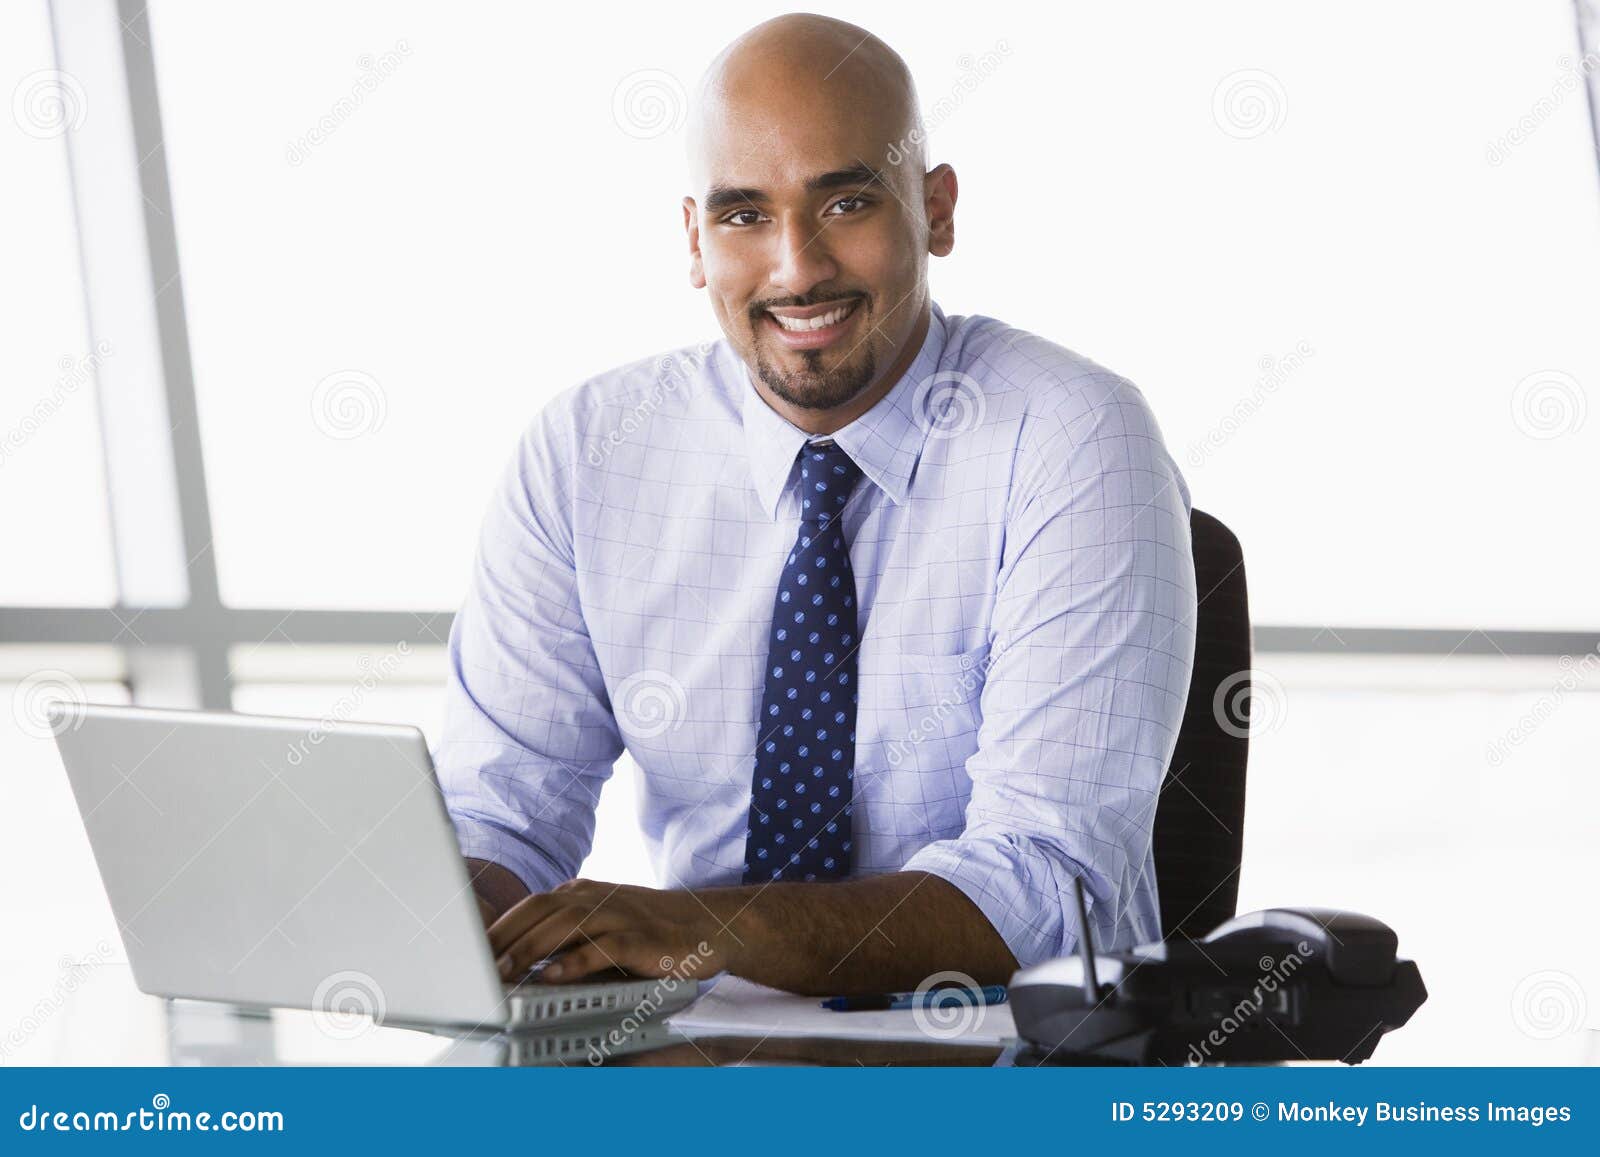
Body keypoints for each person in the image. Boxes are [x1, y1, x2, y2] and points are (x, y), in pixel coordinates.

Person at [433, 13, 1197, 996]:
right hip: (684, 1055)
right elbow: (500, 816)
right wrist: (440, 905)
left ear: (938, 210)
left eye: (845, 203)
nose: (796, 267)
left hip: (983, 1062)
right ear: (695, 241)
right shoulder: (587, 452)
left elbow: (1053, 885)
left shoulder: (1074, 438)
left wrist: (692, 929)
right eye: (745, 215)